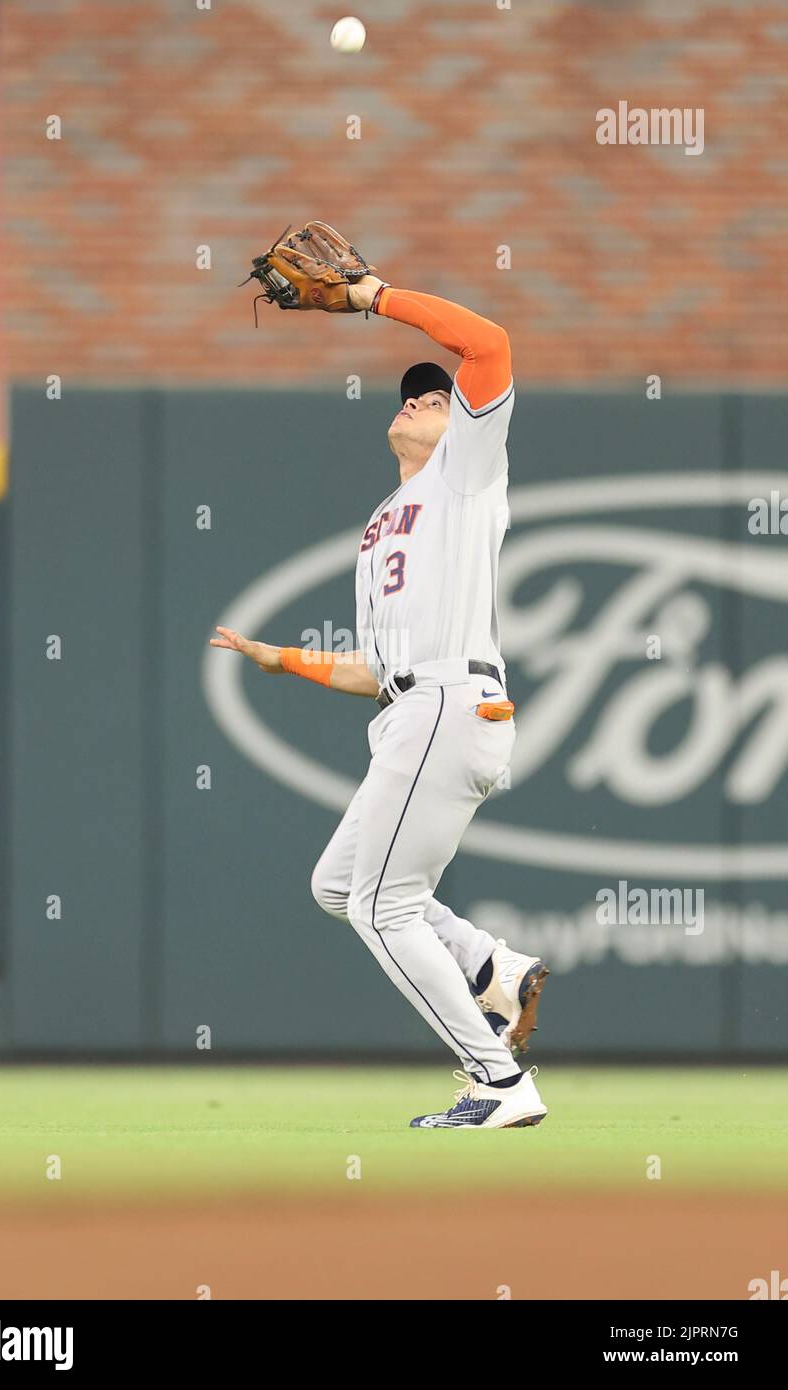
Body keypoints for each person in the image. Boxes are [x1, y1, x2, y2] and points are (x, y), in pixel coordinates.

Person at [211, 274, 549, 1129]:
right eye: (410, 396)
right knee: (337, 885)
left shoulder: (466, 473)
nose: (421, 401)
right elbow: (375, 670)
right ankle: (487, 964)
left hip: (449, 704)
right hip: (412, 706)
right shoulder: (383, 520)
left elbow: (489, 344)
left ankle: (498, 1082)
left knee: (380, 904)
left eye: (436, 397)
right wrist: (283, 660)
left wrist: (371, 294)